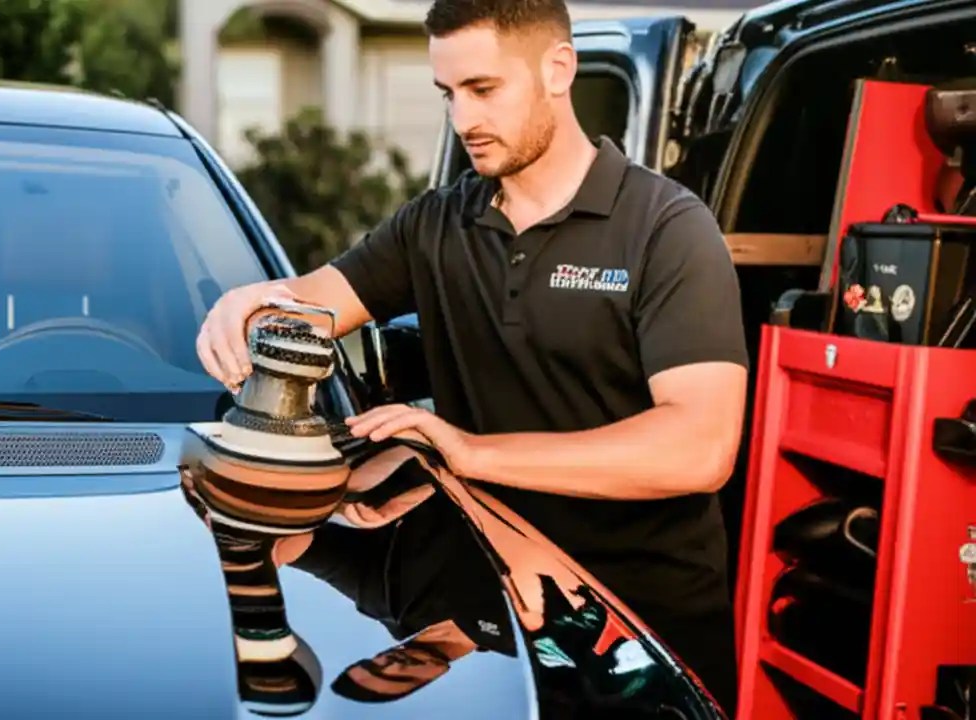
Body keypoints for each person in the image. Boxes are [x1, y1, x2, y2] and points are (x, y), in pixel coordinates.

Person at [196, 0, 749, 712]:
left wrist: (468, 451)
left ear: (558, 69)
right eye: (448, 94)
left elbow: (699, 446)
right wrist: (248, 302)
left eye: (484, 90)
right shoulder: (435, 225)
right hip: (492, 624)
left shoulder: (667, 229)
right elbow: (314, 302)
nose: (463, 121)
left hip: (640, 638)